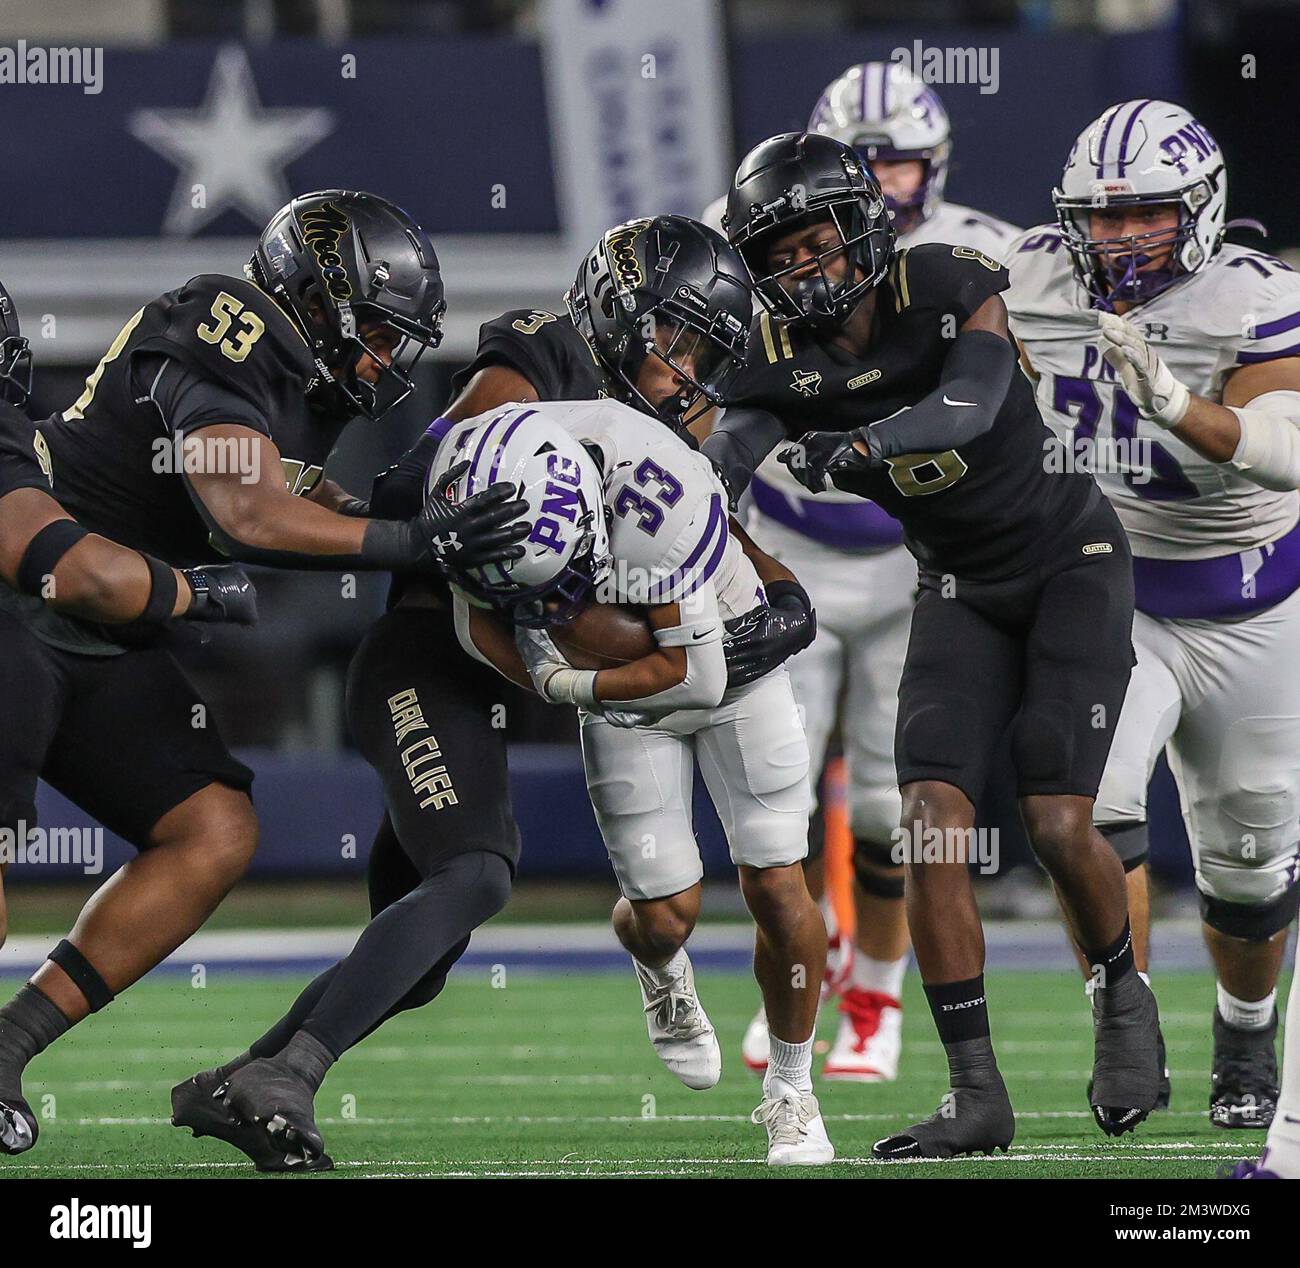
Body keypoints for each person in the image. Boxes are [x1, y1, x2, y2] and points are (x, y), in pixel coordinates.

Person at [0, 191, 526, 1159]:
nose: (381, 355)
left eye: (393, 336)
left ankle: (8, 1042)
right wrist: (417, 539)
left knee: (211, 827)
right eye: (371, 328)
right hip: (33, 594)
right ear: (314, 300)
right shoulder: (224, 322)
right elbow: (248, 512)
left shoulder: (303, 379)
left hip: (110, 630)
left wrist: (390, 517)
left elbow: (287, 493)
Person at [704, 130, 1160, 1158]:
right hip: (955, 585)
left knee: (1051, 812)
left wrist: (862, 442)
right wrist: (685, 519)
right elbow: (715, 471)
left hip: (1069, 558)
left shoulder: (941, 277)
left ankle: (1121, 994)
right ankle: (974, 1091)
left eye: (812, 240)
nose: (799, 268)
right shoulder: (771, 356)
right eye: (773, 256)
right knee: (928, 820)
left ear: (861, 223)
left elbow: (973, 399)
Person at [708, 59, 1022, 1085]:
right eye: (868, 159)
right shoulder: (741, 236)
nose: (884, 182)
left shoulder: (970, 255)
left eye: (901, 162)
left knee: (893, 808)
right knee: (776, 804)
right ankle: (801, 973)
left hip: (912, 556)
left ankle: (876, 1004)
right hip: (790, 543)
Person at [1006, 100, 1300, 1128]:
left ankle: (1245, 1021)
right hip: (1113, 590)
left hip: (1250, 600)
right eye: (1101, 216)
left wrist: (1174, 402)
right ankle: (1120, 1011)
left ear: (1202, 209)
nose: (1120, 236)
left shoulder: (1256, 298)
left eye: (1145, 214)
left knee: (1249, 862)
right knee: (1080, 805)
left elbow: (1284, 447)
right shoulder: (1030, 274)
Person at [447, 397, 834, 1166]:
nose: (554, 604)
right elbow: (473, 623)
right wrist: (542, 661)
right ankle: (662, 970)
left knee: (777, 884)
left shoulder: (658, 504)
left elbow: (693, 678)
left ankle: (792, 1091)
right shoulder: (475, 472)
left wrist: (566, 686)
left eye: (563, 583)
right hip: (628, 699)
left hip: (727, 666)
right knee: (662, 917)